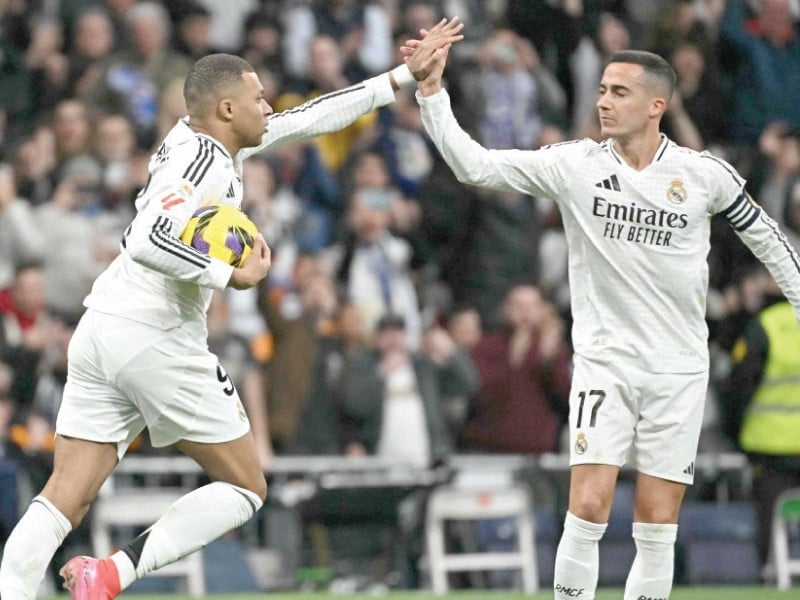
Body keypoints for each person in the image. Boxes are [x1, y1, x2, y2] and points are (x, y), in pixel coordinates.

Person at [0, 19, 463, 598]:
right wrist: (229, 274)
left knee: (64, 495)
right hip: (155, 332)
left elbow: (311, 116)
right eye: (258, 98)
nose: (269, 106)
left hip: (102, 329)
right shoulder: (198, 164)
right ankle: (112, 573)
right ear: (225, 108)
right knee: (246, 489)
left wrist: (401, 75)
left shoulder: (212, 141)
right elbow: (143, 237)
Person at [403, 25, 800, 600]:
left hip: (679, 369)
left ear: (656, 105)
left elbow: (769, 241)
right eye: (603, 90)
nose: (603, 101)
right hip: (604, 363)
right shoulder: (576, 166)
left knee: (657, 523)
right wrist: (432, 95)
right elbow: (476, 167)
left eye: (619, 92)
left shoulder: (702, 175)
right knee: (587, 506)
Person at [719, 274, 800, 573]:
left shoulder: (763, 327)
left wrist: (734, 434)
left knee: (771, 519)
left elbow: (738, 387)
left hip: (770, 445)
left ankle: (770, 573)